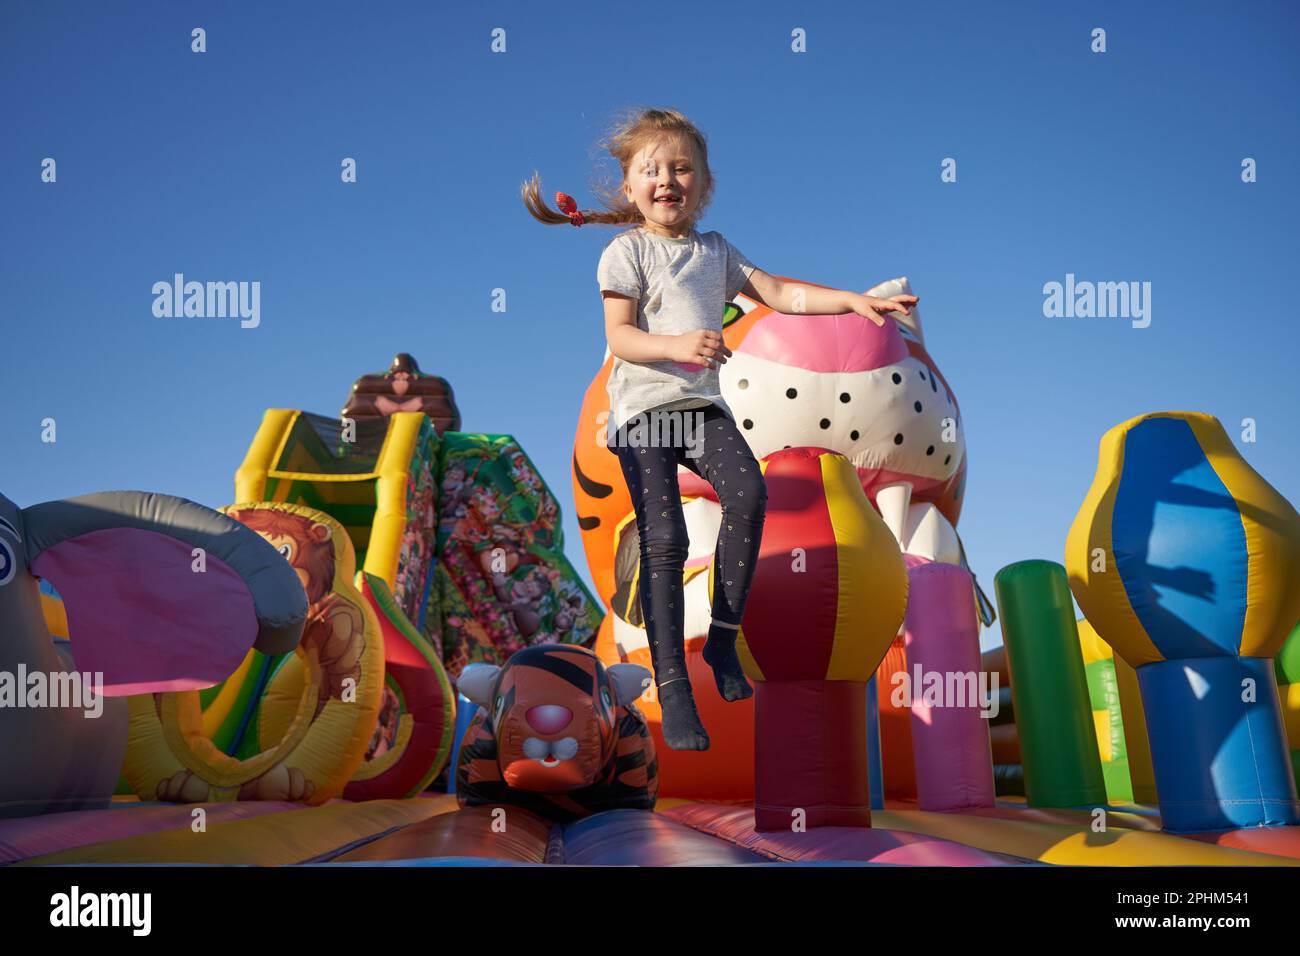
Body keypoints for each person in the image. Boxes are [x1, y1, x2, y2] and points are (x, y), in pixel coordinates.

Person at [522, 107, 917, 750]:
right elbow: (619, 338)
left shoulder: (716, 251)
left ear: (704, 184)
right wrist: (679, 342)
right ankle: (672, 682)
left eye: (682, 168)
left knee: (750, 495)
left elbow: (782, 294)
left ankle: (724, 643)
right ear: (630, 186)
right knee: (664, 535)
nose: (666, 179)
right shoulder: (627, 251)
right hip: (645, 411)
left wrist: (853, 300)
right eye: (651, 169)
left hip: (702, 410)